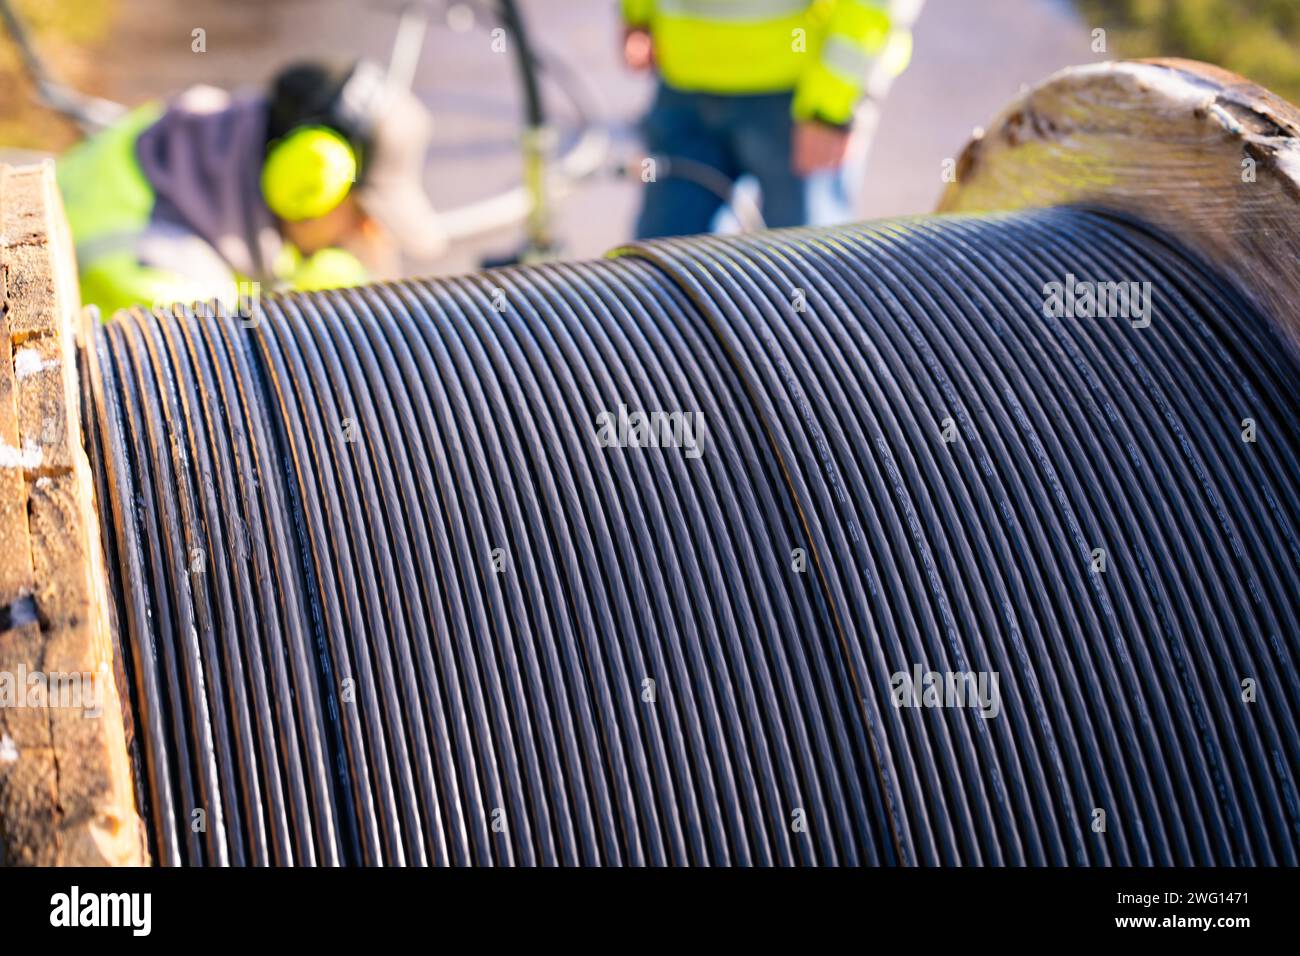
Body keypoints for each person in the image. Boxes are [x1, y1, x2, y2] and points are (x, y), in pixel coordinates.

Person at [56, 59, 446, 317]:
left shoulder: (204, 120)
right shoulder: (161, 289)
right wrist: (298, 317)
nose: (368, 235)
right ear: (303, 180)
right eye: (362, 213)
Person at [621, 0, 917, 238]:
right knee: (663, 276)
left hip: (794, 99)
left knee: (805, 276)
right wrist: (638, 13)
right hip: (682, 87)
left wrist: (831, 107)